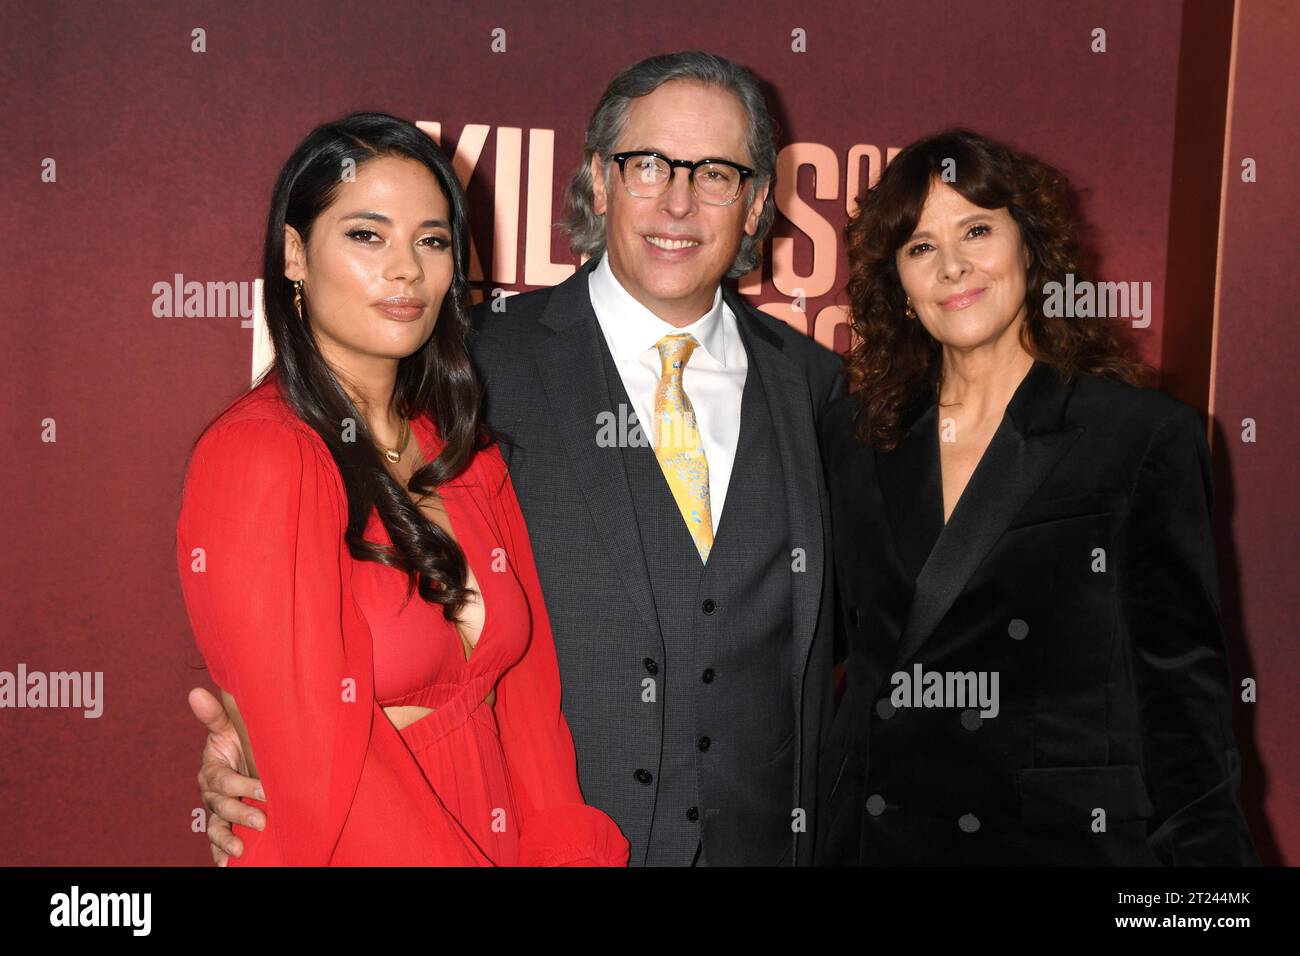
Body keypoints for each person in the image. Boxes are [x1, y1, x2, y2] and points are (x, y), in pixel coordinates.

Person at [194, 51, 844, 867]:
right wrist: (257, 759)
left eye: (716, 173)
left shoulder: (818, 389)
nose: (679, 201)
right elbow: (306, 676)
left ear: (754, 205)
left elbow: (873, 645)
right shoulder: (472, 374)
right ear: (599, 183)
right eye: (648, 165)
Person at [176, 112, 628, 866]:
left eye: (431, 240)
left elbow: (527, 704)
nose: (406, 269)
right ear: (294, 254)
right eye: (366, 235)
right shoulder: (259, 455)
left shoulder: (462, 451)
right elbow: (314, 770)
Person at [815, 128, 1260, 865]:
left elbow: (1184, 702)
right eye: (920, 247)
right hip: (877, 843)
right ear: (897, 282)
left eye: (977, 230)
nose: (952, 265)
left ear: (1031, 246)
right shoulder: (858, 438)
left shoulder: (1139, 439)